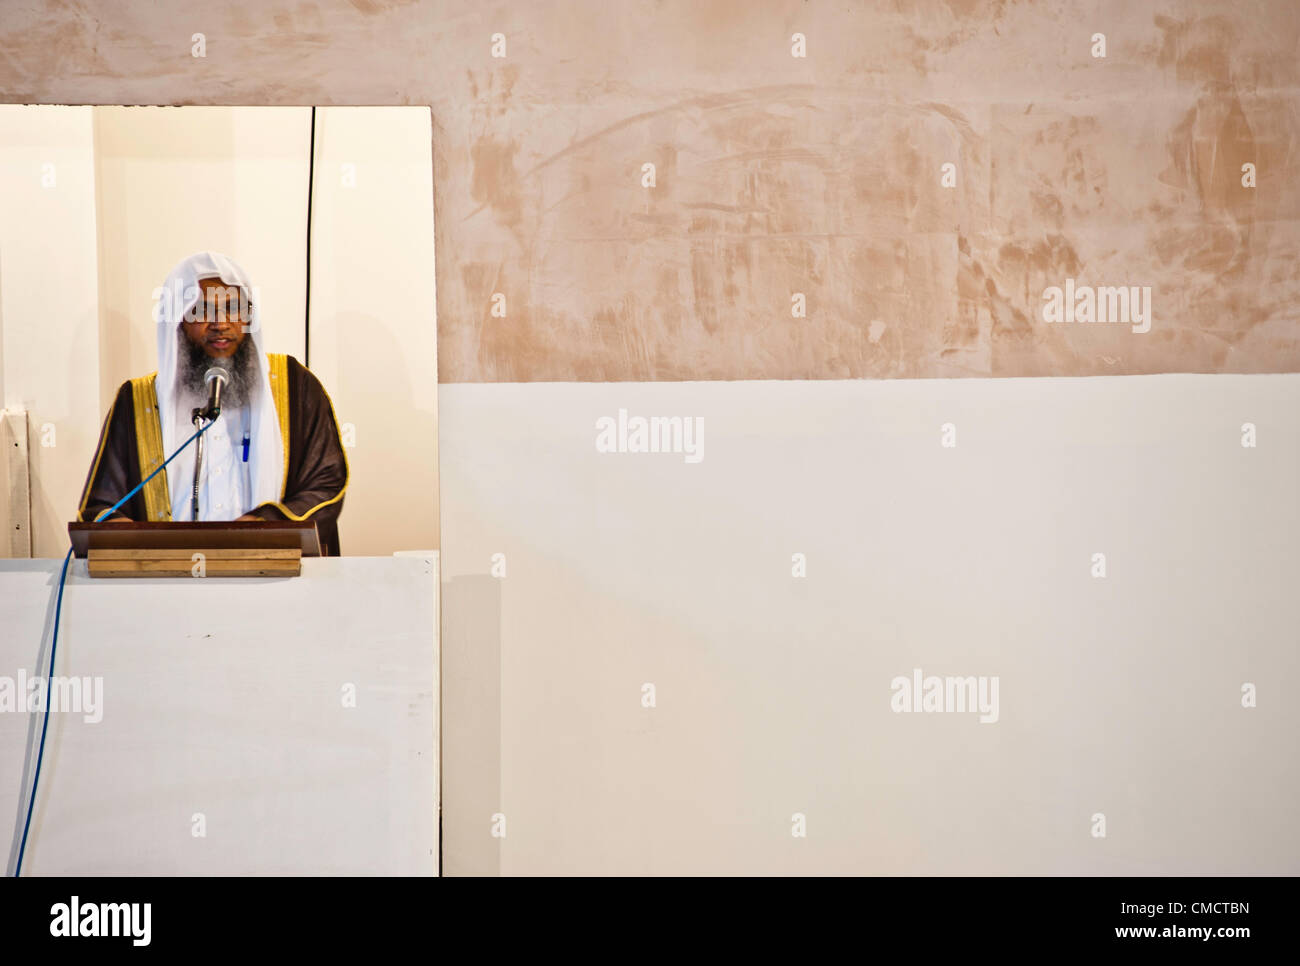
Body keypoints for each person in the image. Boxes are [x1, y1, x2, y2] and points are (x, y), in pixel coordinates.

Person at [76, 251, 349, 556]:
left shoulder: (293, 385)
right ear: (178, 322)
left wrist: (262, 525)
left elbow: (327, 484)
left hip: (271, 577)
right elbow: (100, 508)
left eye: (233, 309)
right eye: (202, 311)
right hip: (166, 584)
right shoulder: (137, 401)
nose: (221, 324)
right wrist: (131, 538)